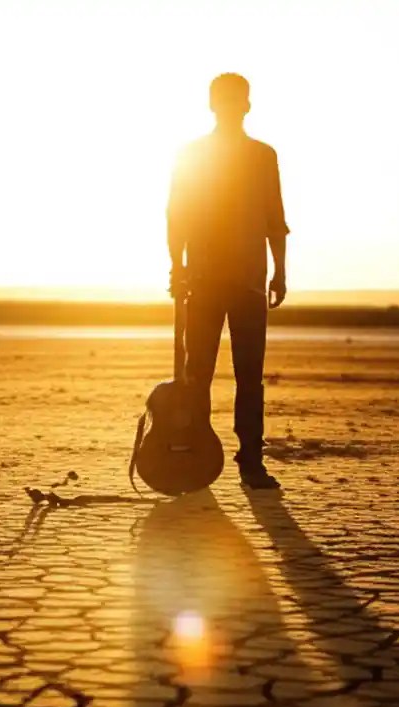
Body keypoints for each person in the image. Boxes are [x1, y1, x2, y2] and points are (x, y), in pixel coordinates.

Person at [167, 72, 289, 489]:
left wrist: (279, 270)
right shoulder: (193, 155)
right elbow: (177, 215)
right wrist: (177, 267)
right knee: (198, 373)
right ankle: (198, 453)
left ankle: (249, 459)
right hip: (206, 280)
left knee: (242, 376)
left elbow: (275, 218)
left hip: (244, 281)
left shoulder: (262, 156)